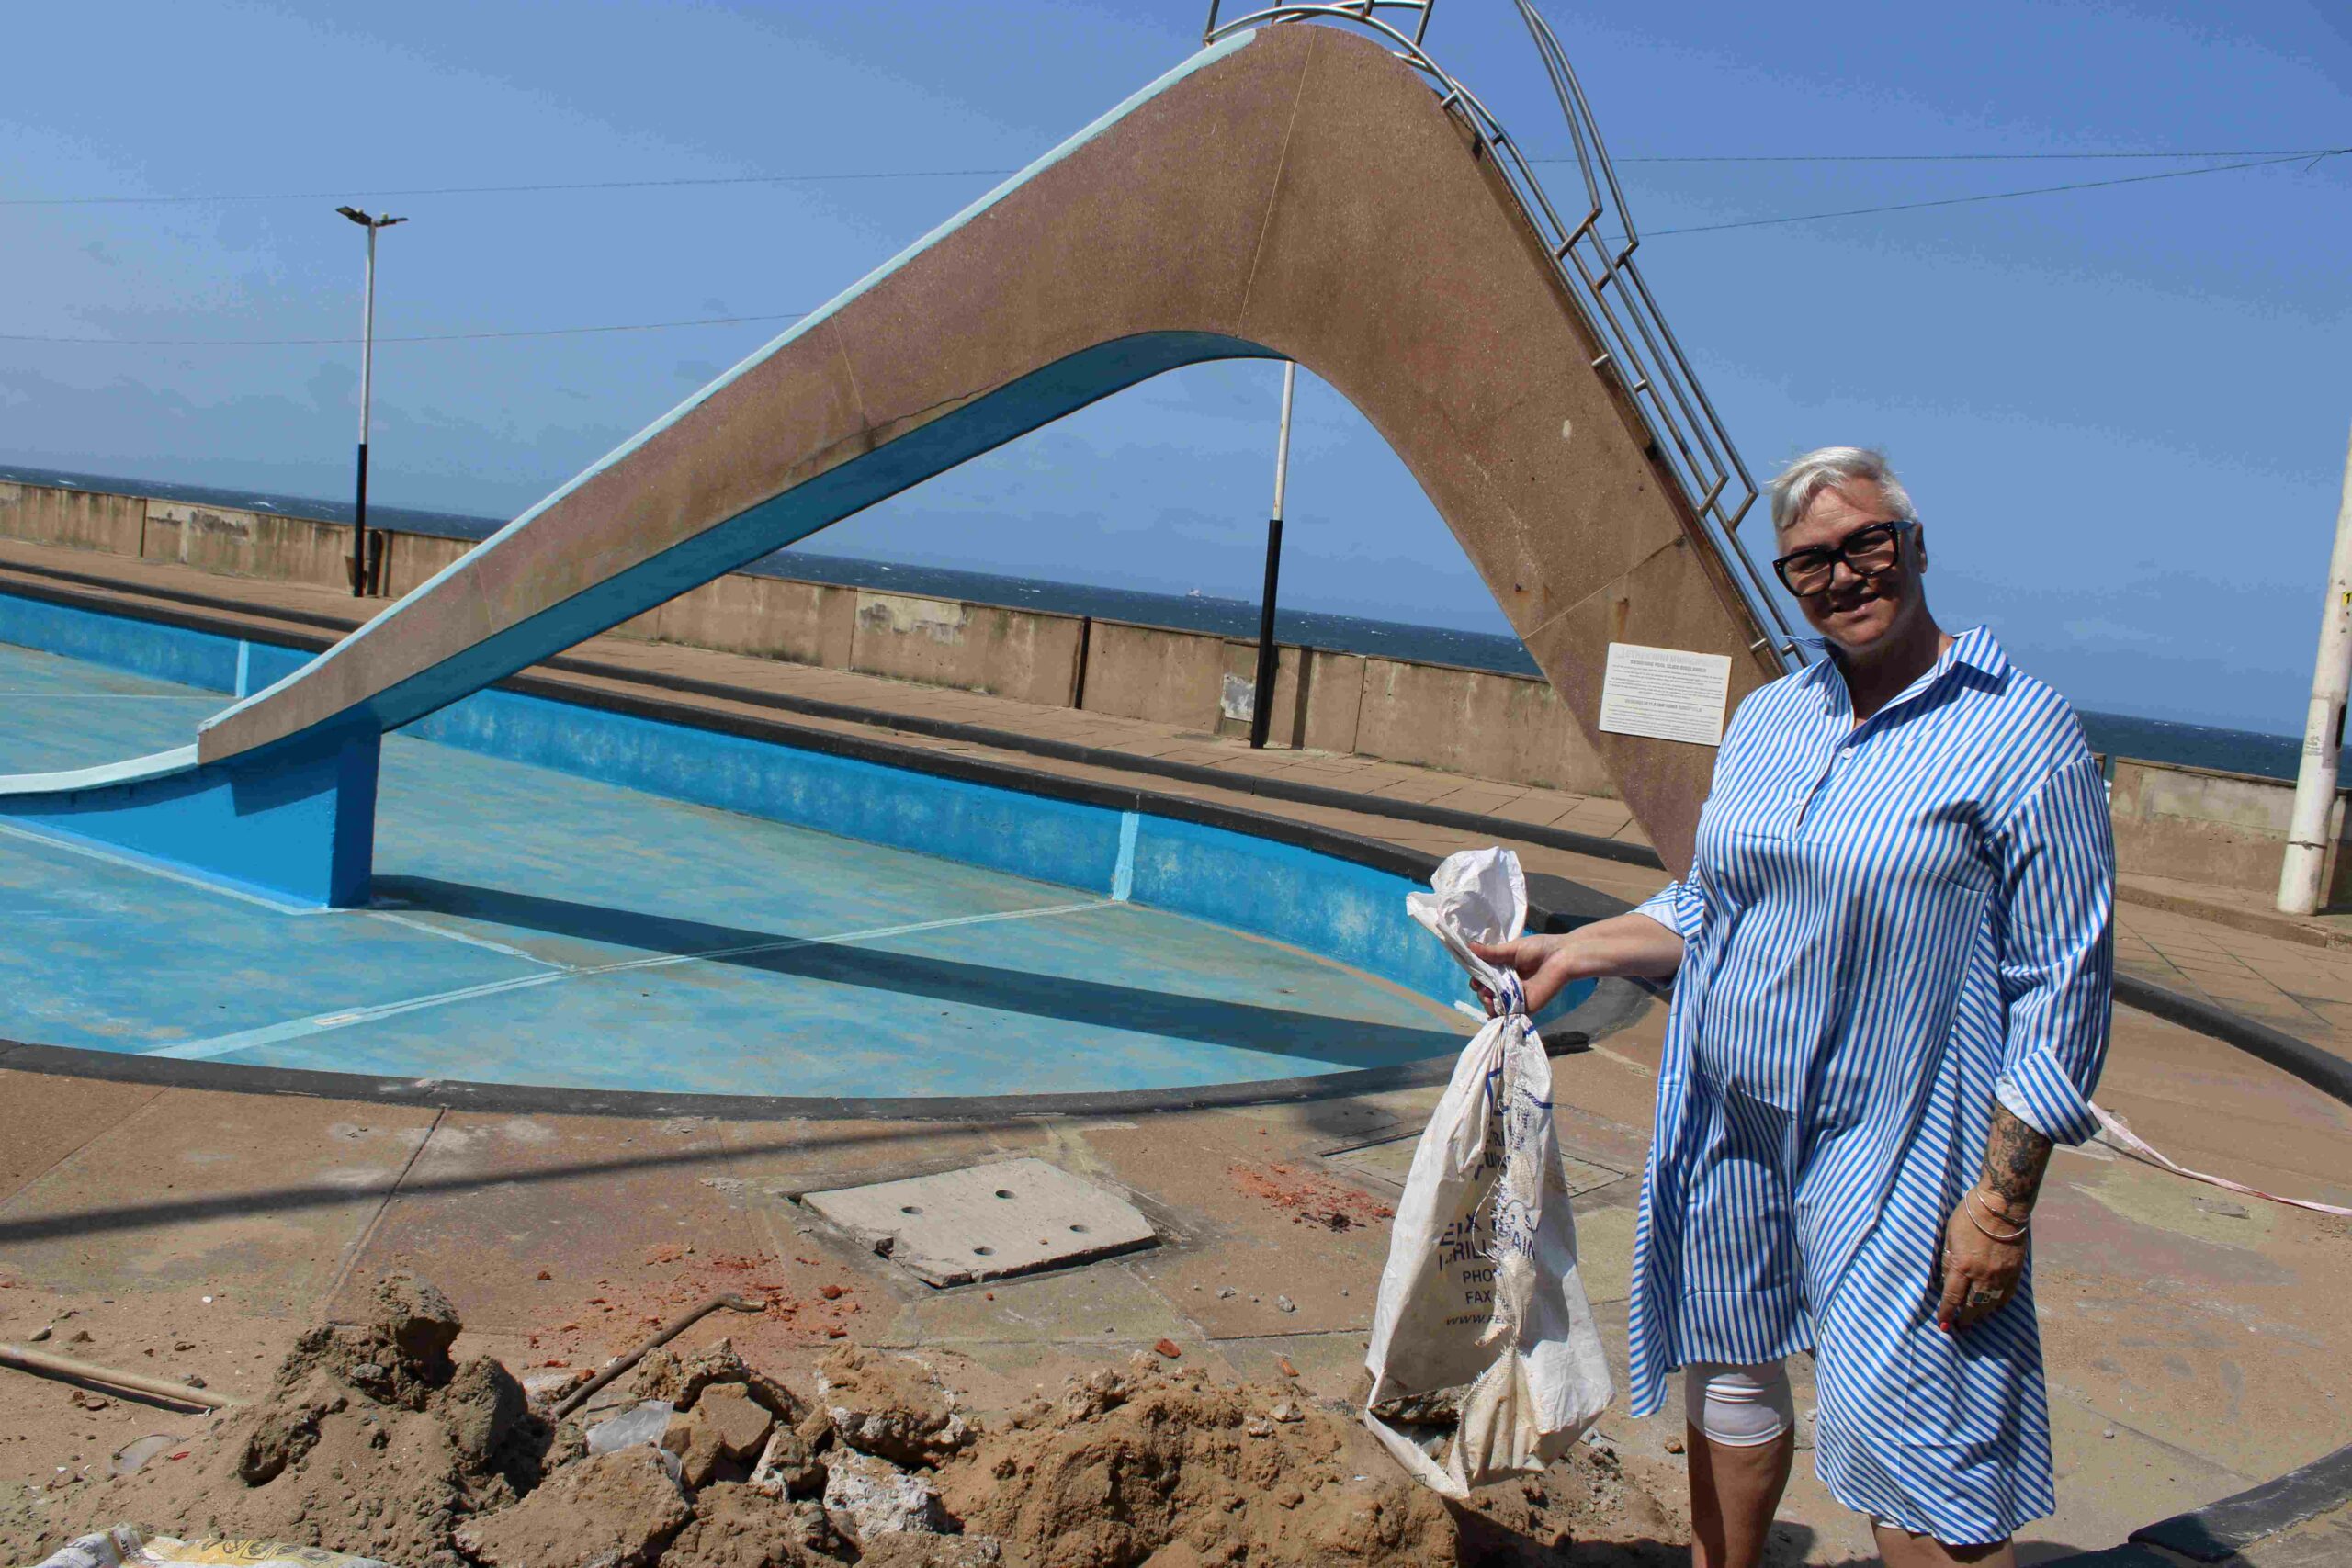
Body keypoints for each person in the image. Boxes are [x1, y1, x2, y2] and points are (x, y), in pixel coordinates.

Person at [1473, 446, 2114, 1568]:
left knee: (1919, 1435)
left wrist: (2000, 1208)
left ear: (1913, 546)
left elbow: (2063, 986)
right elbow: (1717, 900)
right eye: (1809, 561)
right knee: (1728, 1362)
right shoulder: (1775, 717)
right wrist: (1574, 950)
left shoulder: (2021, 730)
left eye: (1865, 543)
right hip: (1729, 1123)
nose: (1843, 575)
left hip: (1902, 1147)